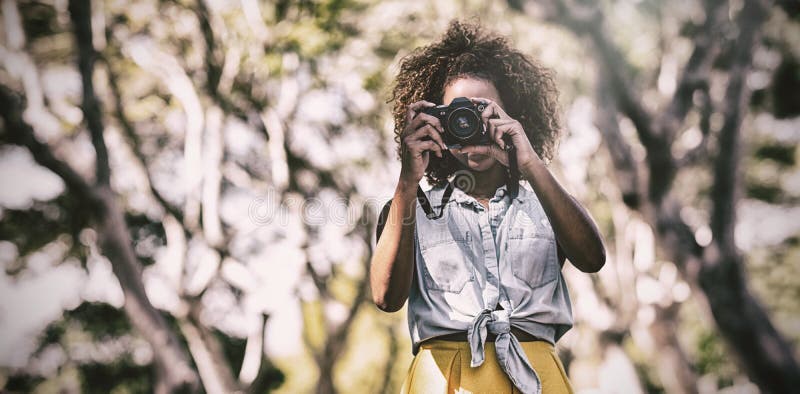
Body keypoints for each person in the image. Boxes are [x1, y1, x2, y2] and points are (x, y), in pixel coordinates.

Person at [370, 20, 606, 394]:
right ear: (436, 121)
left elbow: (593, 259)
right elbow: (386, 298)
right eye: (456, 115)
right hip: (444, 377)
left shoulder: (545, 201)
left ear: (515, 118)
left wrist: (528, 162)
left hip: (537, 375)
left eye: (483, 112)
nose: (469, 124)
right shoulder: (409, 203)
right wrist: (408, 179)